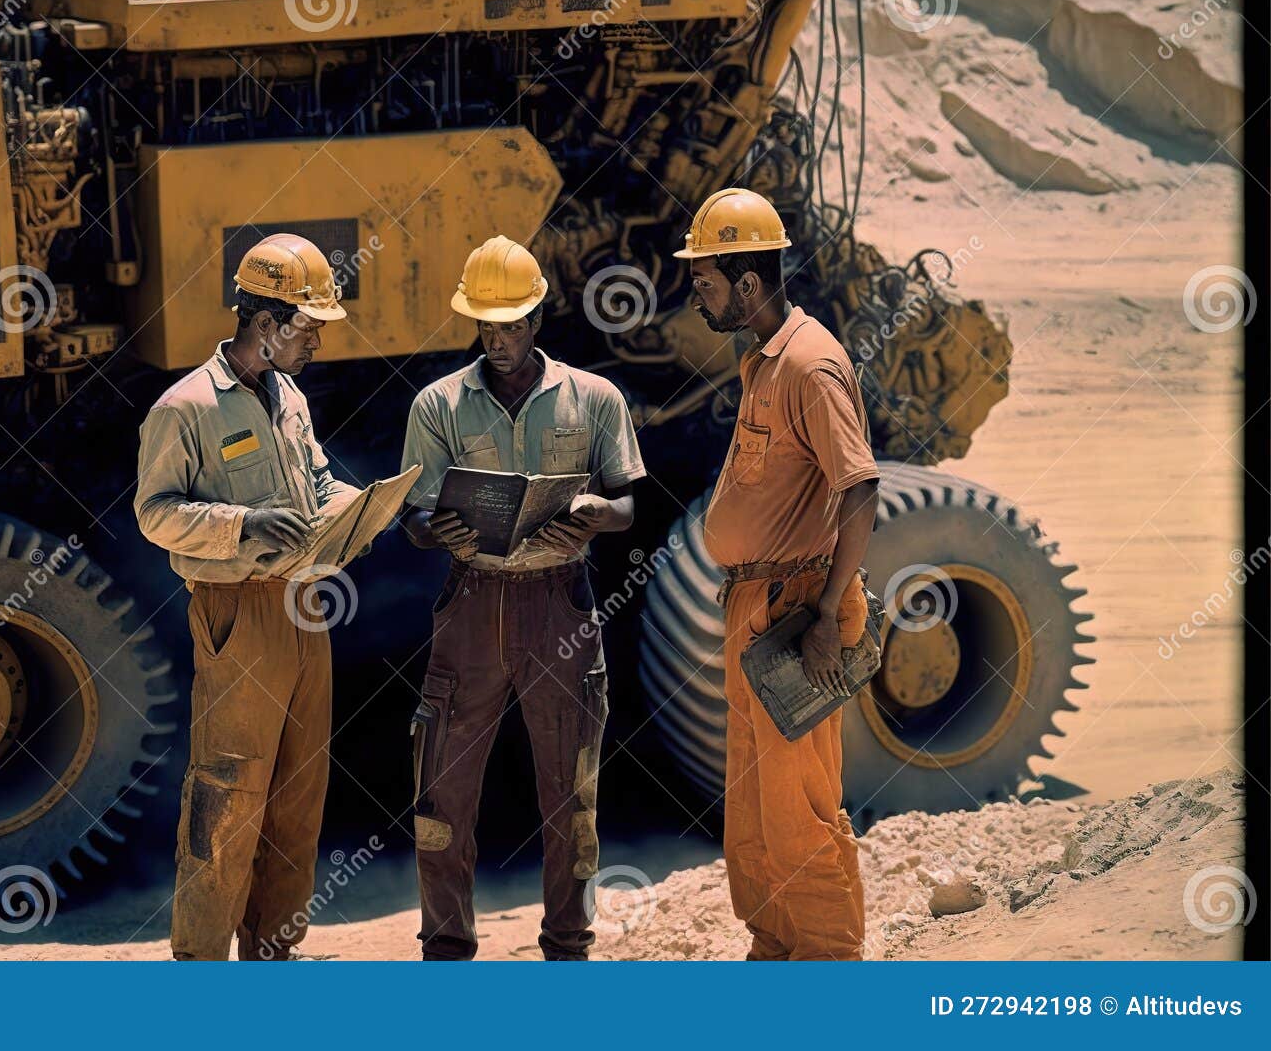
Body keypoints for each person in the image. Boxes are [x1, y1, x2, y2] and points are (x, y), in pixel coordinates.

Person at [399, 235, 646, 960]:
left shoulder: (595, 398)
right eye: (486, 325)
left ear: (537, 317)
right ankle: (446, 948)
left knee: (571, 789)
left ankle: (568, 946)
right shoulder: (437, 405)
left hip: (560, 604)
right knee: (444, 788)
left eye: (510, 325)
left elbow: (630, 505)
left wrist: (602, 513)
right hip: (472, 602)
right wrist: (430, 527)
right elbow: (410, 515)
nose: (498, 340)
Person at [133, 232, 354, 960]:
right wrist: (244, 523)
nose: (317, 342)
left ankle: (273, 953)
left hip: (304, 608)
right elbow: (154, 513)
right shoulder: (184, 408)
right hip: (239, 615)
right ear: (266, 325)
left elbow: (317, 483)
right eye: (309, 328)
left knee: (299, 791)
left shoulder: (288, 396)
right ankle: (201, 961)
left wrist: (363, 507)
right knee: (228, 793)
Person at [676, 187, 880, 961]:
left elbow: (859, 488)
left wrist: (828, 613)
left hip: (797, 612)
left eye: (706, 282)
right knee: (755, 809)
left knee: (798, 809)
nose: (697, 296)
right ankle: (776, 950)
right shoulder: (762, 361)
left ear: (749, 283)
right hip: (756, 609)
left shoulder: (810, 363)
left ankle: (829, 966)